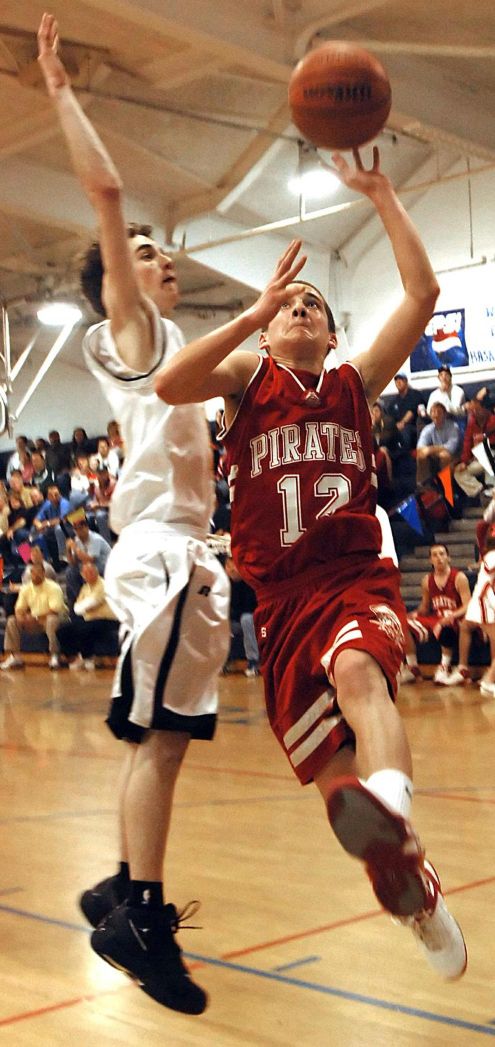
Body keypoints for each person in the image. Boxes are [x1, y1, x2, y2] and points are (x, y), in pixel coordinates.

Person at [154, 149, 467, 980]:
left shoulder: (355, 382)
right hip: (282, 599)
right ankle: (412, 883)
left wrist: (381, 192)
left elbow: (423, 295)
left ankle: (392, 805)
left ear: (330, 333)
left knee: (362, 674)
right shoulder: (241, 379)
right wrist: (246, 313)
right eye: (287, 305)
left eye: (311, 304)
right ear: (267, 328)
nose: (298, 309)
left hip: (352, 576)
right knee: (334, 786)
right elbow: (166, 384)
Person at [38, 12, 229, 1016]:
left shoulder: (184, 357)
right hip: (158, 551)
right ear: (113, 279)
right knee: (151, 736)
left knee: (166, 742)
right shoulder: (131, 330)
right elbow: (106, 191)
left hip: (197, 553)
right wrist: (62, 90)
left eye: (156, 252)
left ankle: (122, 885)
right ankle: (139, 920)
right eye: (142, 252)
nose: (159, 258)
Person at [404, 544, 471, 685]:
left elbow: (468, 605)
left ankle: (445, 666)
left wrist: (452, 616)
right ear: (430, 560)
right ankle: (412, 668)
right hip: (436, 617)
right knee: (403, 623)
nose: (439, 557)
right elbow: (425, 606)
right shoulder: (426, 581)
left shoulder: (459, 577)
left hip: (457, 617)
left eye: (442, 554)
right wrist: (415, 614)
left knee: (444, 626)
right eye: (435, 555)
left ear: (449, 557)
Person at [449, 527, 495, 691]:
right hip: (484, 604)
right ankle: (488, 681)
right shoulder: (492, 556)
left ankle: (489, 678)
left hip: (486, 603)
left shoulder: (489, 556)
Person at [0, 562, 69, 671]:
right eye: (33, 574)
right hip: (34, 620)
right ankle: (15, 656)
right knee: (12, 620)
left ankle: (55, 656)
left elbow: (54, 610)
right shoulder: (26, 588)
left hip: (54, 619)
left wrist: (35, 617)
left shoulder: (54, 587)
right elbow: (19, 608)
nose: (36, 576)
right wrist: (20, 616)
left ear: (43, 573)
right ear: (30, 574)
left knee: (52, 620)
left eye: (38, 573)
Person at [57, 561, 119, 670]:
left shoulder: (103, 585)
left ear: (96, 572)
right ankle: (73, 657)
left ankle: (88, 658)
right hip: (90, 620)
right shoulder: (85, 588)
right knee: (62, 629)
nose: (89, 574)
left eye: (91, 571)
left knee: (84, 628)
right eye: (86, 573)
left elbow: (91, 603)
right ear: (82, 575)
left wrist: (84, 606)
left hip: (107, 620)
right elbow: (77, 608)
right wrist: (84, 606)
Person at [64, 513, 111, 611]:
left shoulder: (95, 539)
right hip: (89, 566)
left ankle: (90, 600)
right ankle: (80, 598)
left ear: (86, 527)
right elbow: (73, 563)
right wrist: (68, 549)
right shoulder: (77, 540)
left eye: (80, 528)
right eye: (75, 529)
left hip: (105, 566)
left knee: (87, 570)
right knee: (70, 571)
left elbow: (89, 560)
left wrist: (75, 548)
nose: (78, 532)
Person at [454, 387, 495, 498]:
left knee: (488, 455)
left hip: (492, 457)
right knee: (458, 472)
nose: (475, 413)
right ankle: (480, 491)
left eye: (477, 410)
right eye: (472, 411)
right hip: (479, 460)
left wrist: (484, 441)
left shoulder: (492, 420)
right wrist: (464, 461)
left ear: (485, 409)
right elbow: (467, 442)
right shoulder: (472, 423)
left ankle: (492, 488)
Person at [415, 401, 461, 485]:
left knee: (445, 455)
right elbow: (420, 448)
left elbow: (451, 448)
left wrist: (430, 449)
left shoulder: (453, 427)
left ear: (445, 414)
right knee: (421, 455)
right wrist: (430, 451)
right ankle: (424, 487)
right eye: (433, 412)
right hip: (436, 455)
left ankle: (446, 486)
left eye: (439, 412)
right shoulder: (428, 428)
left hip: (454, 456)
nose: (435, 415)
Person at [387, 373, 426, 451]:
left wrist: (403, 423)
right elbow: (389, 417)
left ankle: (406, 458)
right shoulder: (394, 401)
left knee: (405, 431)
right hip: (397, 428)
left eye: (401, 380)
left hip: (414, 427)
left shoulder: (415, 394)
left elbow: (411, 411)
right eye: (396, 381)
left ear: (406, 381)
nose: (398, 382)